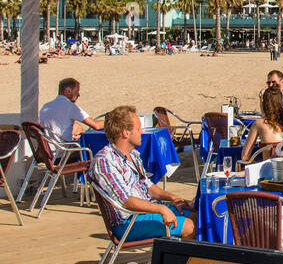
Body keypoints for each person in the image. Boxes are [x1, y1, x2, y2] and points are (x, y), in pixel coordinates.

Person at [88, 105, 195, 239]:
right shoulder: (105, 161)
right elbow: (126, 201)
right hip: (128, 222)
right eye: (138, 129)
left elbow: (148, 186)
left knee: (198, 216)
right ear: (126, 133)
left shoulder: (132, 155)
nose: (142, 133)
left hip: (145, 213)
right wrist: (162, 209)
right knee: (190, 226)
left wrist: (172, 198)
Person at [39, 78, 104, 144]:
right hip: (64, 150)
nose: (79, 94)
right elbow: (96, 125)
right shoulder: (70, 106)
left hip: (48, 148)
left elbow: (59, 126)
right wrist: (112, 122)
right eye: (77, 91)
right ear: (68, 91)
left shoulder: (46, 106)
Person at [241, 87, 283, 163]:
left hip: (268, 171)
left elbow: (245, 156)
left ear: (264, 103)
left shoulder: (259, 124)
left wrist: (256, 164)